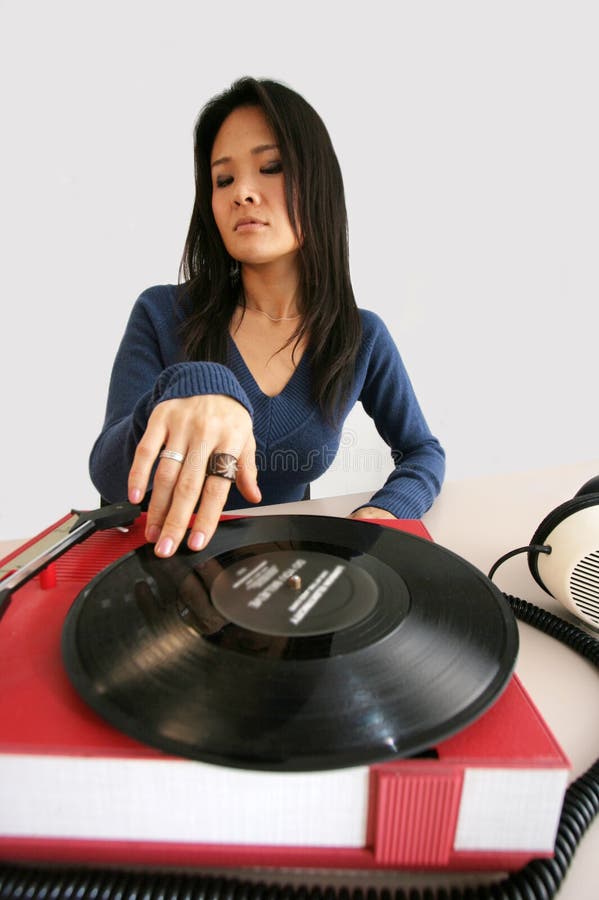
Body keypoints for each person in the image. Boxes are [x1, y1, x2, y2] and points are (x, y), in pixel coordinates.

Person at [89, 77, 445, 558]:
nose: (243, 194)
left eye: (271, 167)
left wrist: (380, 513)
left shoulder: (360, 337)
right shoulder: (160, 313)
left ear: (317, 183)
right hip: (161, 575)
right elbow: (108, 473)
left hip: (289, 574)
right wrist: (197, 383)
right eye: (224, 179)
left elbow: (423, 451)